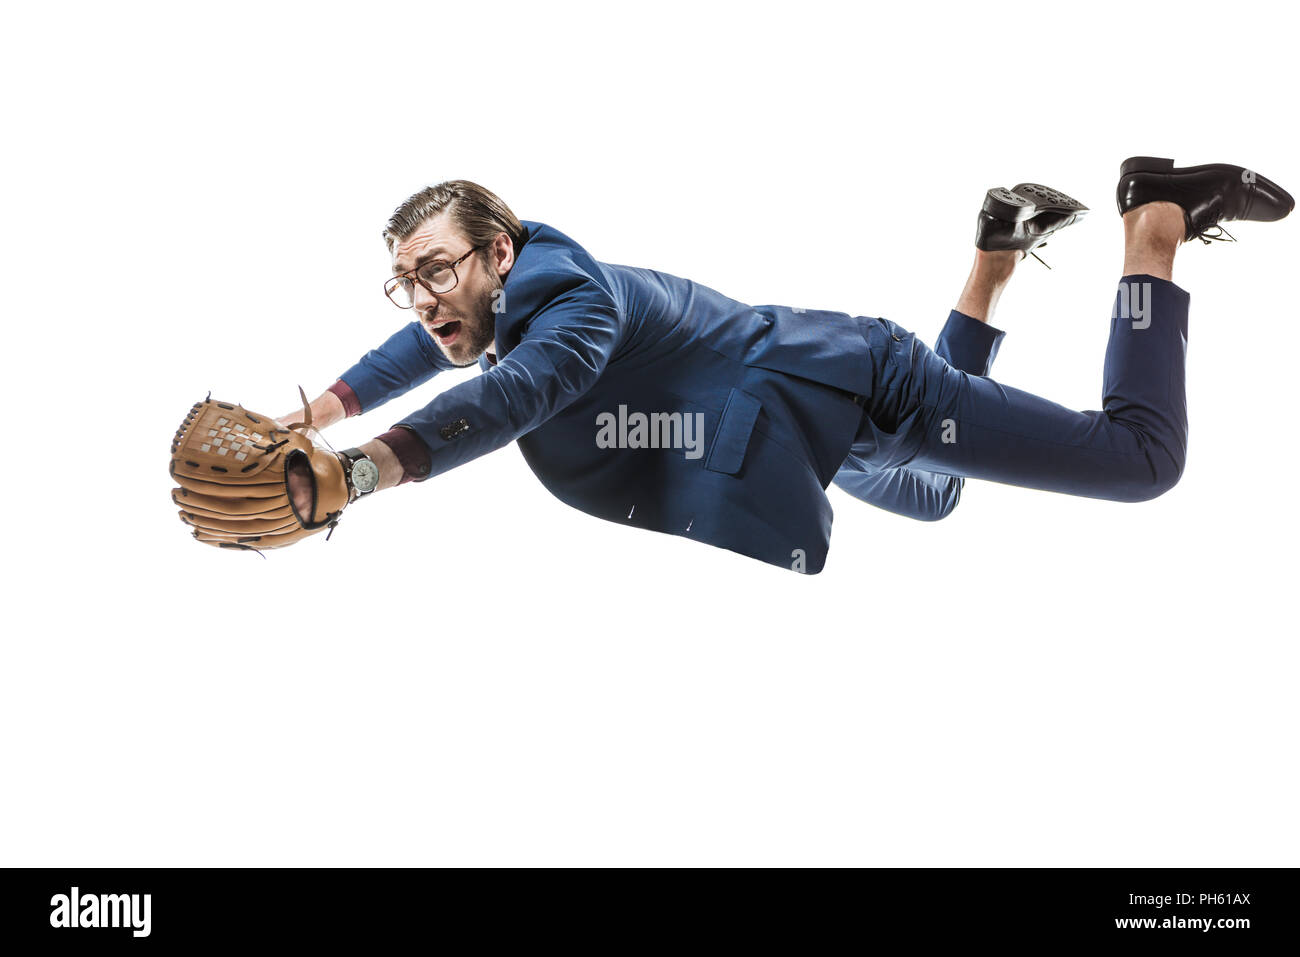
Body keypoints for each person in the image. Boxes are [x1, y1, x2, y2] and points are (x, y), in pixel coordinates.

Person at [280, 163, 1292, 573]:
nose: (423, 299)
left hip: (862, 386)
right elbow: (435, 341)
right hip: (796, 419)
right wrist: (315, 416)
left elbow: (509, 396)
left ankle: (1153, 219)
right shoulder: (492, 295)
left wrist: (359, 474)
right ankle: (993, 253)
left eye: (436, 272)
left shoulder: (570, 305)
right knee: (935, 501)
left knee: (1141, 460)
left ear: (499, 256)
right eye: (405, 280)